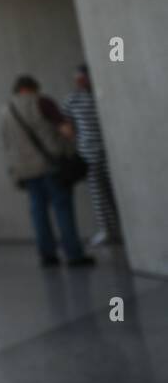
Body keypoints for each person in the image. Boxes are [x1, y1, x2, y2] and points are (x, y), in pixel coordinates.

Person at [2, 75, 93, 267]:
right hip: (51, 165)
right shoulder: (41, 102)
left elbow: (7, 144)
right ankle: (74, 254)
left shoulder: (6, 110)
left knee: (38, 212)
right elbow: (66, 129)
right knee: (62, 209)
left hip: (26, 170)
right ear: (33, 87)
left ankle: (47, 255)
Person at [62, 64, 121, 246]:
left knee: (116, 190)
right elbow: (67, 125)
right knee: (98, 193)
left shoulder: (103, 94)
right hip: (88, 152)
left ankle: (122, 226)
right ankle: (107, 230)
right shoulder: (73, 99)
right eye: (77, 78)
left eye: (82, 78)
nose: (79, 81)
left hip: (111, 151)